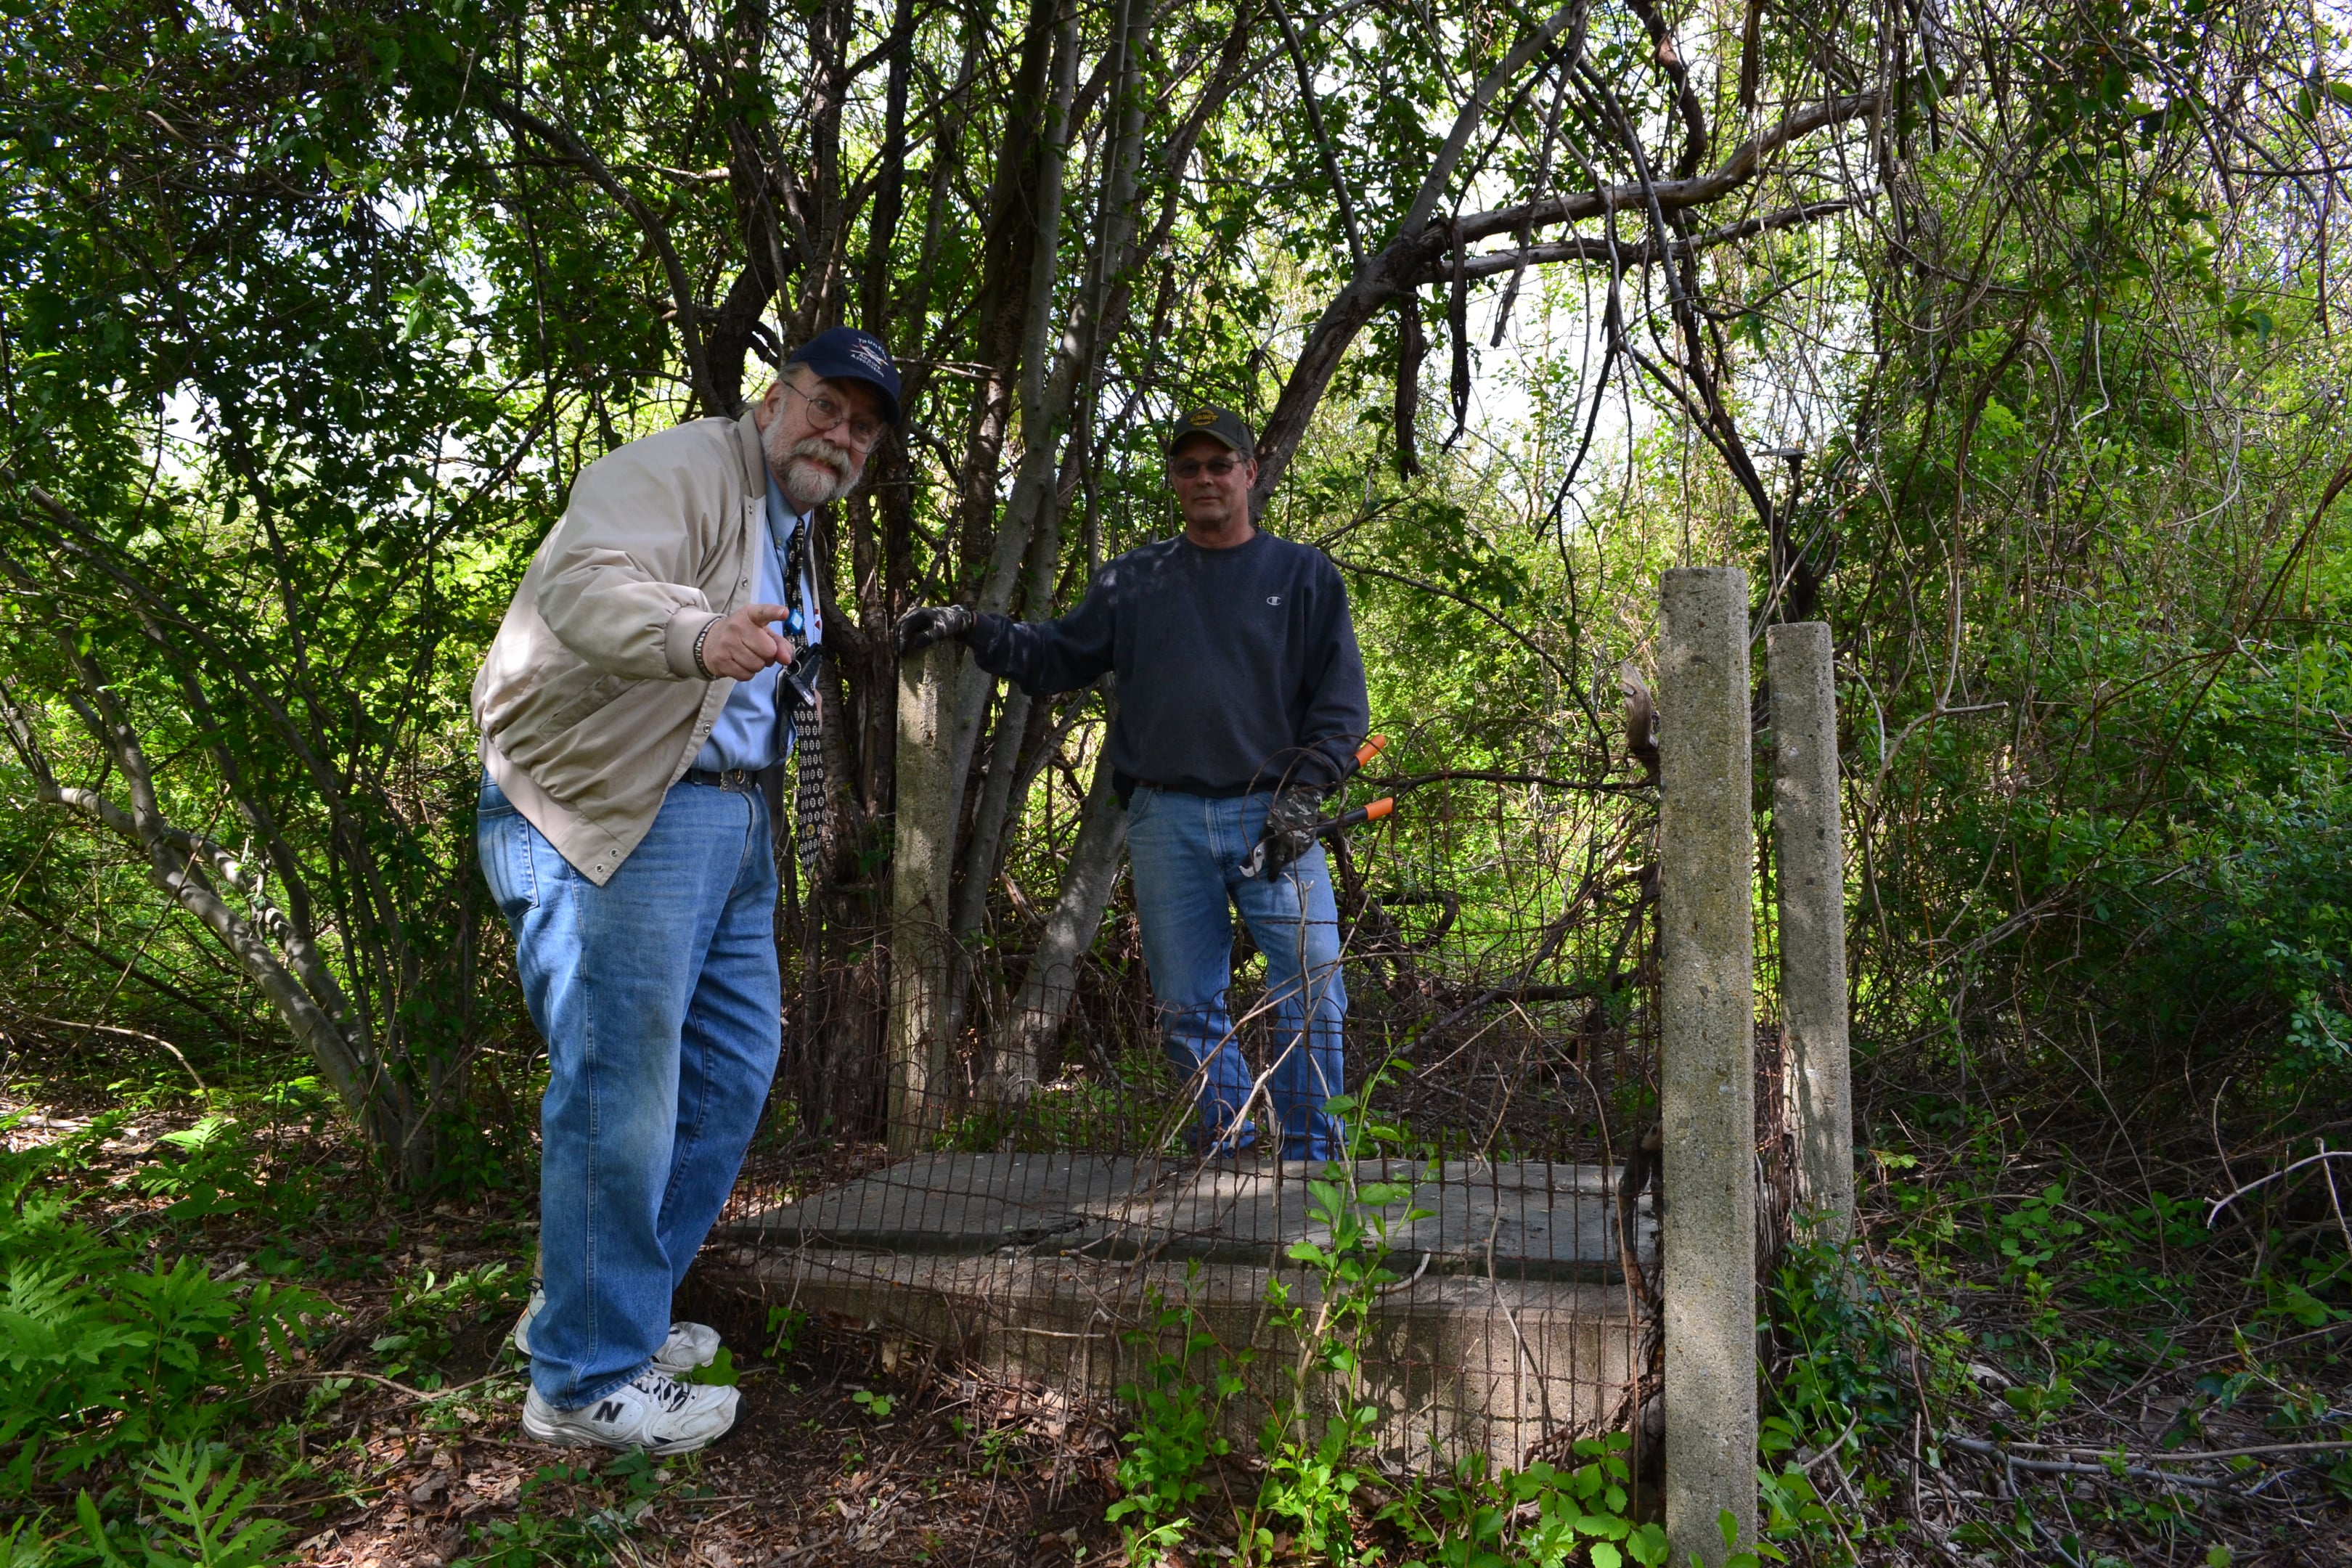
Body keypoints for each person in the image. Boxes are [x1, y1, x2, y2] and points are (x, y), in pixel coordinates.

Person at [471, 327, 901, 1453]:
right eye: (826, 407)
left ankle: (600, 1309)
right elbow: (583, 581)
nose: (840, 436)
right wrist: (692, 632)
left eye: (862, 428)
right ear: (775, 399)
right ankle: (581, 1381)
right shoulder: (676, 470)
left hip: (728, 816)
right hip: (617, 812)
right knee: (621, 1090)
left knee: (730, 1069)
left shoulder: (791, 525)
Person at [894, 406, 1368, 1159]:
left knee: (1314, 986)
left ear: (1251, 472)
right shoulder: (1138, 580)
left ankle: (1312, 1156)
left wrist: (1304, 799)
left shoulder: (1302, 576)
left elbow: (1341, 708)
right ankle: (1231, 1143)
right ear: (1175, 480)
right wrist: (972, 626)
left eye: (1222, 464)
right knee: (1186, 1005)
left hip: (1276, 817)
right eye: (1190, 467)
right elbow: (1056, 655)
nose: (1207, 478)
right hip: (1165, 819)